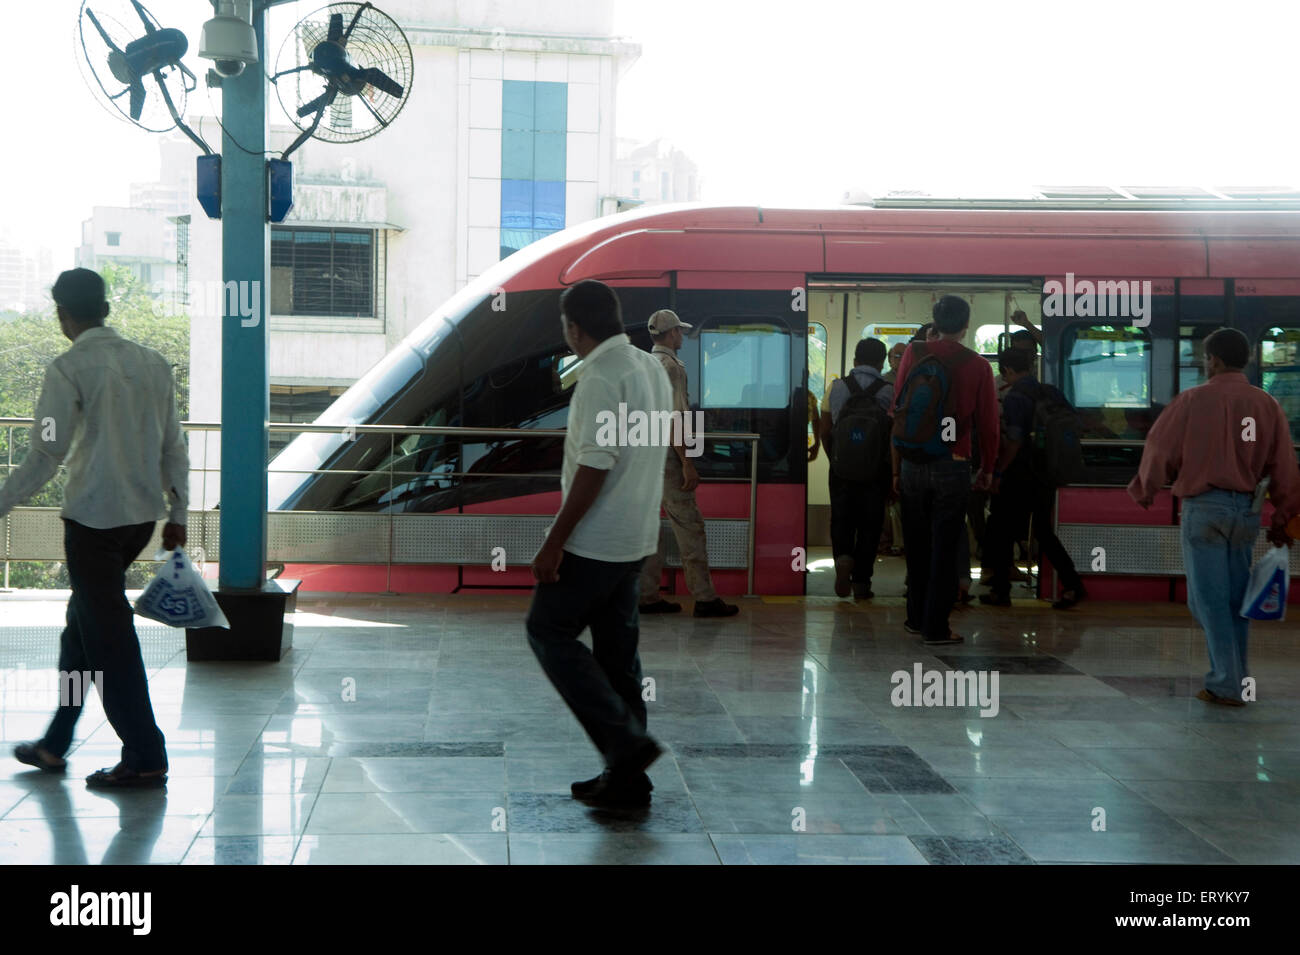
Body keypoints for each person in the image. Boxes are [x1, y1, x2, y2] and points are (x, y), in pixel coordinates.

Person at [2, 268, 186, 788]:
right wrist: (178, 515)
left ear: (62, 314)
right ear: (104, 308)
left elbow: (46, 451)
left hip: (92, 523)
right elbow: (173, 445)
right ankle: (54, 743)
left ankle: (145, 755)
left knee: (109, 641)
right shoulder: (152, 363)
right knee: (80, 634)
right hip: (140, 521)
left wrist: (3, 502)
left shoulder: (68, 368)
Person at [526, 280, 672, 807]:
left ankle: (626, 745)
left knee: (548, 630)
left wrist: (554, 542)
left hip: (595, 542)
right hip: (637, 537)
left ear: (573, 328)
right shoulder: (649, 367)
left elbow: (594, 466)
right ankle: (627, 780)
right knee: (618, 658)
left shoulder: (600, 377)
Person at [1129, 327, 1300, 707]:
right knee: (1237, 598)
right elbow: (1284, 464)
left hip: (1204, 508)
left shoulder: (1192, 400)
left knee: (1208, 600)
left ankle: (1226, 683)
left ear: (1215, 361)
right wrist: (1284, 514)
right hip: (1247, 512)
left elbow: (1159, 447)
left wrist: (1145, 488)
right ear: (1247, 361)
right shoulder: (1266, 404)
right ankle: (1236, 677)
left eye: (1206, 358)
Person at [891, 296, 999, 645]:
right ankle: (936, 627)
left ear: (934, 322)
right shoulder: (979, 365)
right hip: (953, 462)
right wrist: (988, 468)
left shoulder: (914, 352)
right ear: (966, 326)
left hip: (913, 461)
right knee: (945, 547)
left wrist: (897, 465)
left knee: (916, 543)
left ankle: (914, 618)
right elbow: (988, 424)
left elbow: (898, 406)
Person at [637, 309, 739, 618]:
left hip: (644, 456)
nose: (682, 335)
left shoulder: (645, 364)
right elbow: (674, 419)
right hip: (667, 456)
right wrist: (687, 462)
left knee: (649, 528)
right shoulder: (672, 367)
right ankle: (705, 598)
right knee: (689, 525)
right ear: (671, 334)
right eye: (679, 331)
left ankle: (646, 596)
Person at [980, 347, 1086, 609]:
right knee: (1043, 530)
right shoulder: (1051, 392)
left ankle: (1001, 591)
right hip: (1048, 471)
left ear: (1007, 370)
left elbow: (1015, 440)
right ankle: (1073, 585)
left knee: (1001, 528)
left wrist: (998, 472)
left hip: (1021, 473)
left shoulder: (1016, 397)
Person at [819, 338, 894, 598]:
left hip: (841, 468)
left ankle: (842, 558)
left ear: (855, 361)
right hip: (876, 471)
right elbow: (893, 435)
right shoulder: (889, 391)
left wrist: (835, 459)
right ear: (881, 363)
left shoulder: (836, 387)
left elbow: (825, 430)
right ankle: (862, 582)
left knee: (842, 518)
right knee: (871, 524)